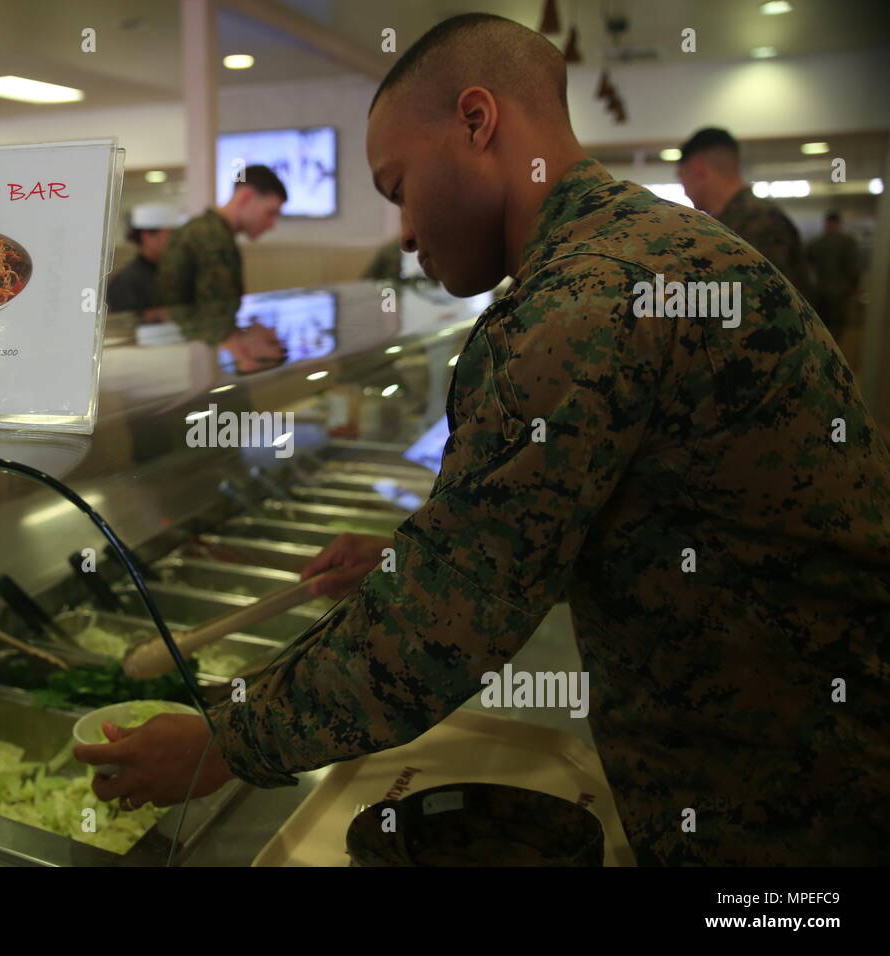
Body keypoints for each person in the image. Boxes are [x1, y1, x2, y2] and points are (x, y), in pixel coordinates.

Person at [74, 13, 890, 865]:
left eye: (399, 187)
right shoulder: (647, 245)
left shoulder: (581, 301)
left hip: (791, 807)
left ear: (476, 120)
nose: (405, 232)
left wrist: (224, 741)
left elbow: (439, 629)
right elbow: (653, 531)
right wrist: (412, 557)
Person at [676, 127, 813, 297]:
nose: (684, 189)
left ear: (698, 169)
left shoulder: (758, 221)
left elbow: (770, 300)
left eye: (681, 176)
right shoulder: (730, 221)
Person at [154, 164, 287, 307]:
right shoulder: (212, 239)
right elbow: (220, 313)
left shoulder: (211, 231)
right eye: (270, 213)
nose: (271, 225)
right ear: (245, 197)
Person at [106, 203, 186, 313]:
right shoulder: (125, 282)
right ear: (147, 236)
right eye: (172, 234)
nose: (178, 241)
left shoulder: (178, 273)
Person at [806, 210, 862, 342]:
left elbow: (806, 266)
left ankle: (822, 346)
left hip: (819, 289)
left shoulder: (816, 242)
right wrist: (855, 286)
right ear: (839, 223)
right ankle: (835, 348)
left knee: (821, 322)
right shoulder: (847, 242)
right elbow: (853, 267)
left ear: (826, 223)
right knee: (837, 323)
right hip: (840, 290)